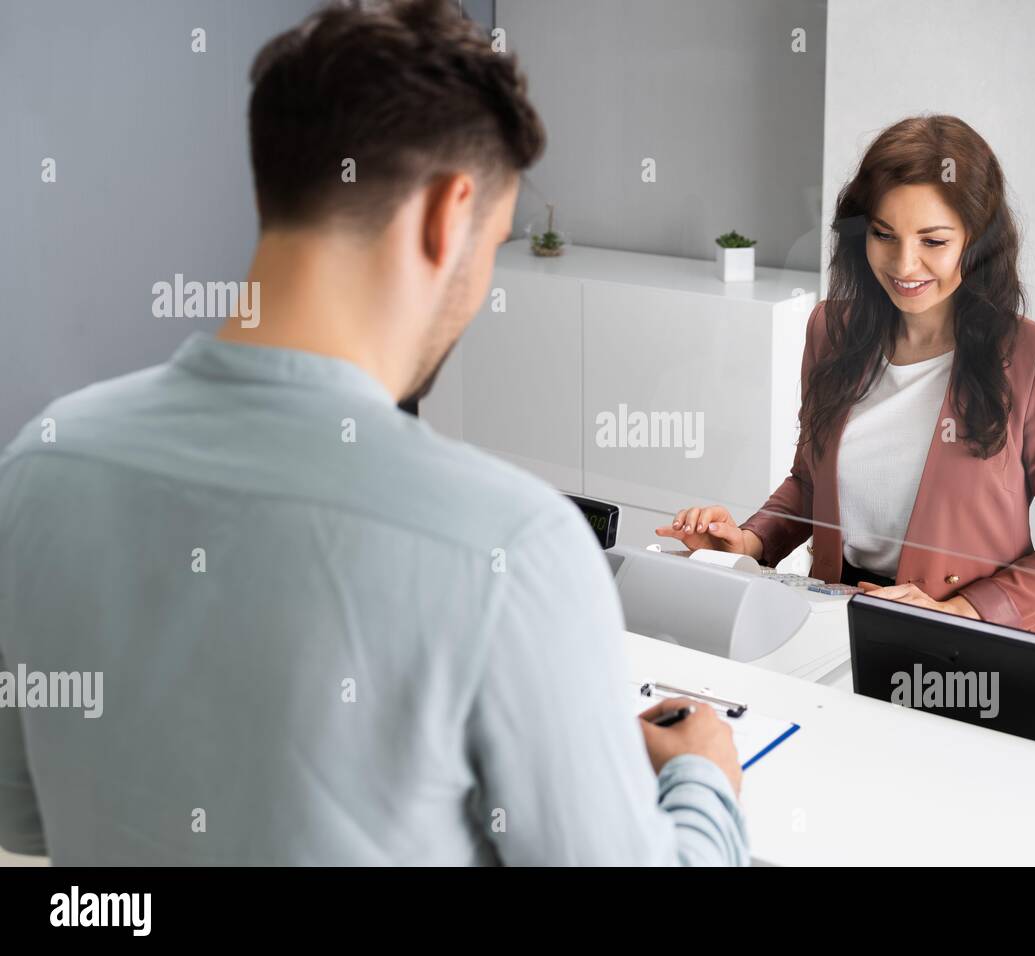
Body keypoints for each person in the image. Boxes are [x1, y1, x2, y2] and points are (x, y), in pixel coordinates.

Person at [0, 0, 746, 866]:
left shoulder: (43, 462)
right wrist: (702, 782)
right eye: (493, 245)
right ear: (446, 216)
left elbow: (25, 815)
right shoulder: (513, 545)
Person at [658, 116, 1035, 638]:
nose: (904, 263)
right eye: (884, 235)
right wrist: (749, 543)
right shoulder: (832, 329)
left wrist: (961, 610)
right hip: (835, 624)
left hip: (972, 647)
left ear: (979, 240)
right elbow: (811, 483)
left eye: (933, 241)